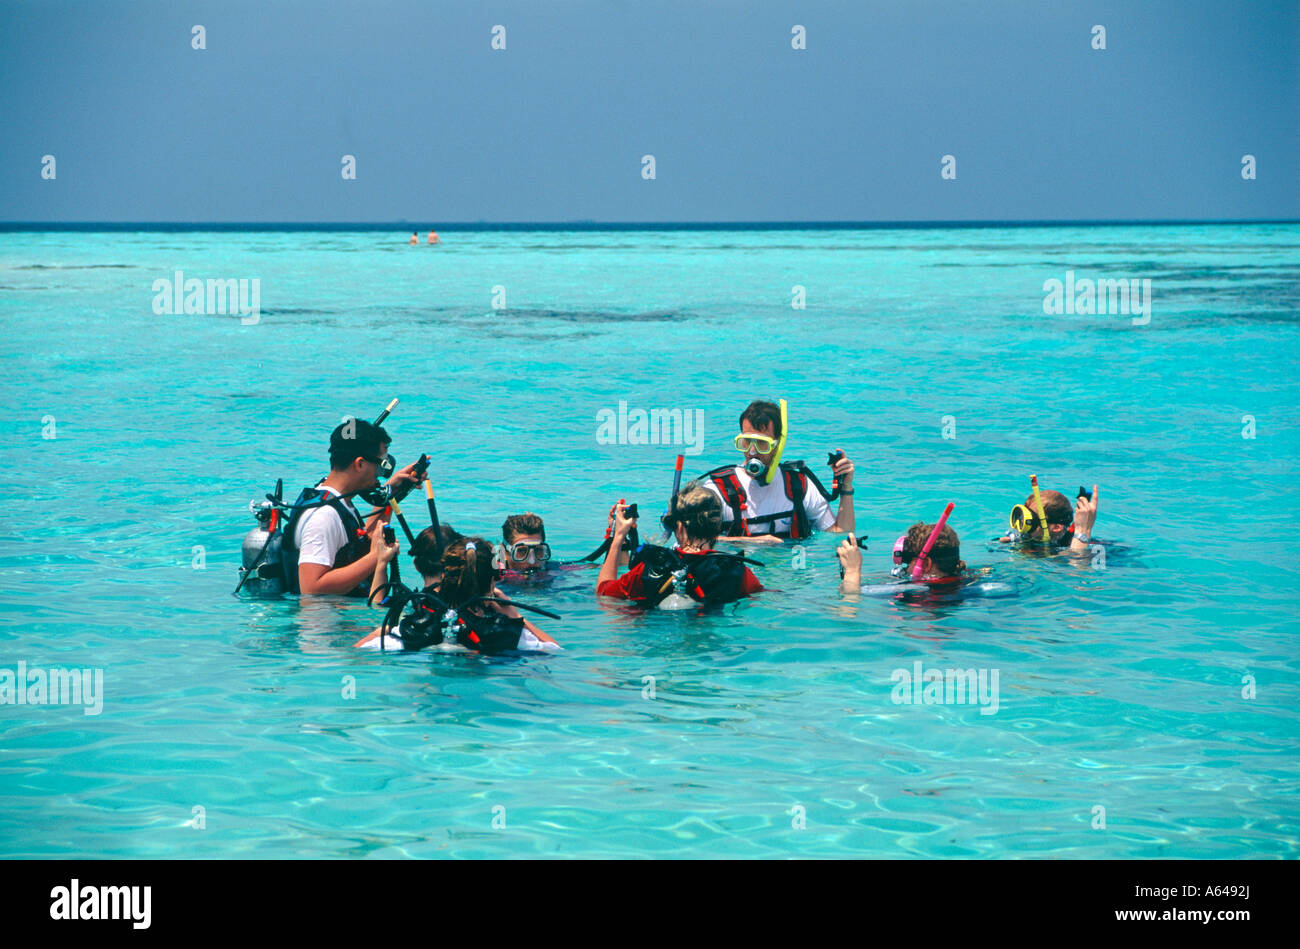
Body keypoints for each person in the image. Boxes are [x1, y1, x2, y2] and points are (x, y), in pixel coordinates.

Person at [280, 418, 421, 596]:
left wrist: (392, 494)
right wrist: (376, 557)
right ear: (360, 464)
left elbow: (363, 544)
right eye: (380, 466)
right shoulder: (323, 517)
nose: (382, 476)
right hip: (326, 622)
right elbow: (311, 588)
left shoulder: (336, 500)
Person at [355, 532, 559, 653]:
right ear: (492, 581)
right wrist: (515, 615)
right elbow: (554, 650)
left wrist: (387, 628)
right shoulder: (508, 634)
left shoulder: (414, 629)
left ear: (445, 576)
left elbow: (359, 650)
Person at [701, 399, 855, 543]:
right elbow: (692, 541)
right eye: (746, 442)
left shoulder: (799, 486)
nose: (752, 451)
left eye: (762, 443)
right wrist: (753, 542)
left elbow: (839, 534)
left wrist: (846, 487)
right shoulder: (718, 489)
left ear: (777, 445)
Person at [596, 483, 763, 607]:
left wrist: (618, 536)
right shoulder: (737, 572)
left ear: (679, 527)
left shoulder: (650, 570)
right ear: (717, 528)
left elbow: (604, 593)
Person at [838, 522, 967, 592]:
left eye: (908, 561)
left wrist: (852, 570)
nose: (906, 567)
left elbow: (849, 605)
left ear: (926, 564)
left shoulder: (917, 589)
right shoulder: (963, 580)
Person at [999, 483, 1099, 555]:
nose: (1021, 522)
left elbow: (1078, 572)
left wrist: (1083, 530)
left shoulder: (1067, 552)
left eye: (1030, 520)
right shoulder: (1021, 540)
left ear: (1056, 527)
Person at [497, 512, 551, 579]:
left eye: (538, 550)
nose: (532, 561)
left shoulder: (559, 571)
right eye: (522, 551)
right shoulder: (492, 580)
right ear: (504, 552)